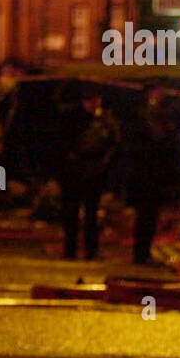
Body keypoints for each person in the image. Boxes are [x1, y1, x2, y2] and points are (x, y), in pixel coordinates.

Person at [59, 83, 121, 261]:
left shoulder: (106, 121)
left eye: (93, 100)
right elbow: (63, 145)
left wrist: (106, 168)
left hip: (95, 173)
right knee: (71, 214)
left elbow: (115, 146)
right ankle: (70, 251)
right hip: (74, 173)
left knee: (91, 215)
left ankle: (91, 251)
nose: (90, 104)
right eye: (87, 100)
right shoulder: (74, 120)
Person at [127, 83, 176, 266]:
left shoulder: (163, 116)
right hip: (144, 174)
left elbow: (168, 142)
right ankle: (140, 253)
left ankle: (145, 252)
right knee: (144, 216)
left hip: (156, 174)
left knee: (151, 216)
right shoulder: (141, 117)